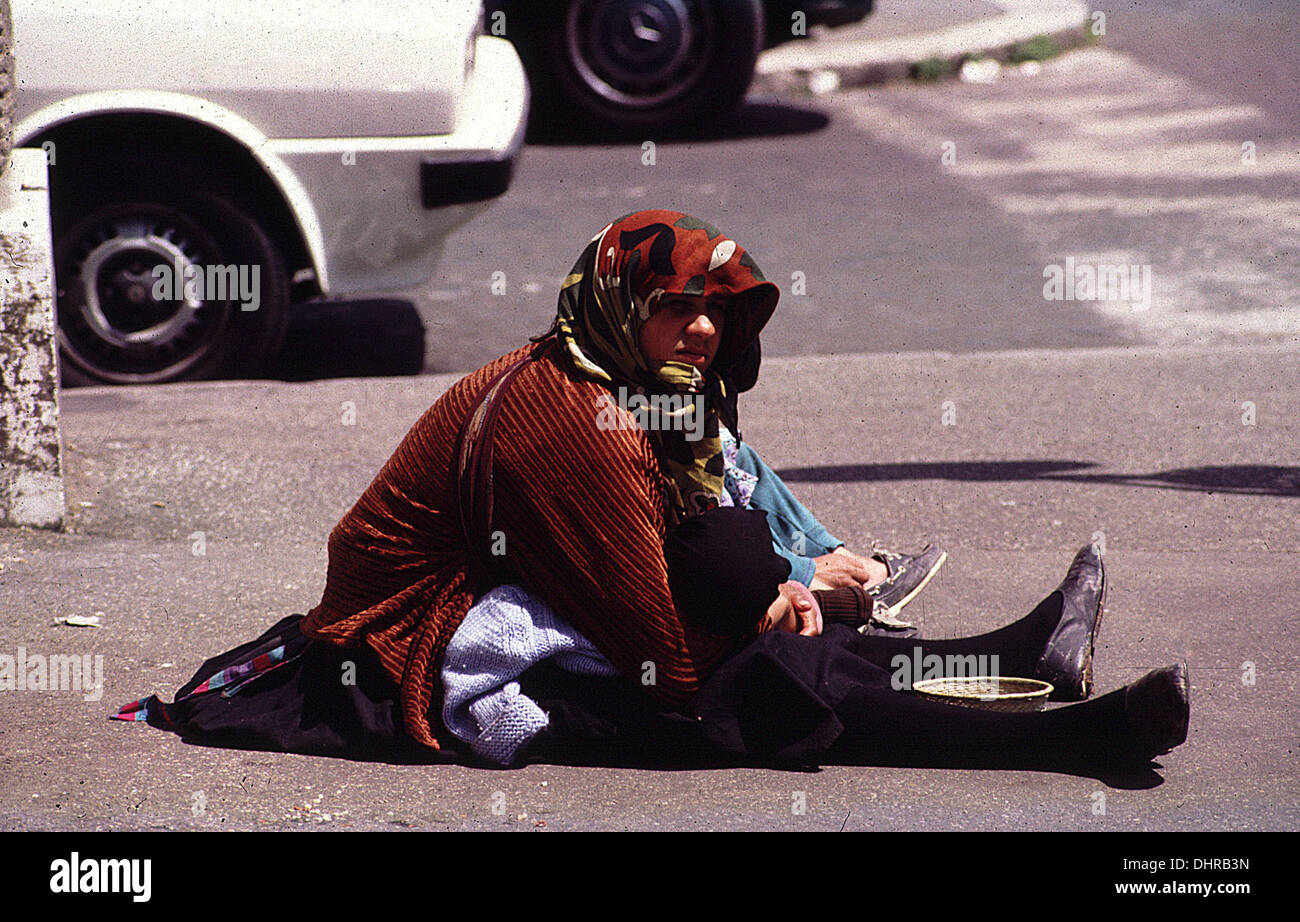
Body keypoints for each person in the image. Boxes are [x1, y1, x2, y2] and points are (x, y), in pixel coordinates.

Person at [113, 210, 1189, 775]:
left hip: (516, 590)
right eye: (679, 306)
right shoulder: (574, 421)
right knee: (757, 681)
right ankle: (1066, 740)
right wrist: (768, 608)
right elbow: (664, 663)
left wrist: (775, 586)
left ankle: (1011, 658)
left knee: (771, 621)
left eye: (719, 310)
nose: (706, 331)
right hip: (412, 646)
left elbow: (701, 538)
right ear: (623, 301)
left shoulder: (629, 384)